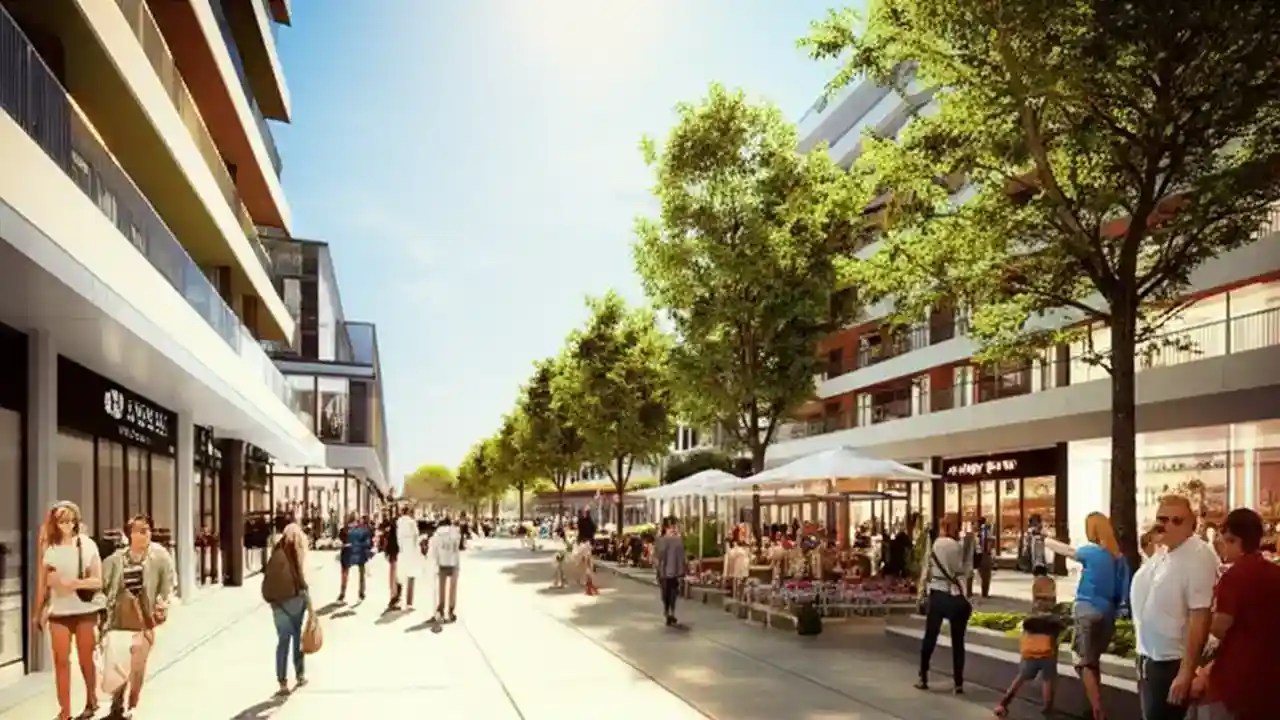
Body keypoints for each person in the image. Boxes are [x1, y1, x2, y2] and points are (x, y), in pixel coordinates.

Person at [1130, 495, 1218, 720]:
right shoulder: (1164, 554)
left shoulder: (1198, 555)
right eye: (1162, 519)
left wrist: (1186, 672)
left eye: (1177, 520)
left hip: (1171, 662)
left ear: (1192, 524)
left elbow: (1200, 616)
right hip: (1149, 658)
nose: (1168, 525)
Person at [1193, 508, 1280, 720]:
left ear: (1234, 540)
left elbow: (1219, 629)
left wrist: (1200, 666)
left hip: (1238, 678)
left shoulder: (1233, 578)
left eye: (1224, 540)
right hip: (1271, 676)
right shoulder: (1275, 573)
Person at [1044, 512, 1131, 720]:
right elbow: (1124, 591)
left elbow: (1068, 552)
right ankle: (1091, 706)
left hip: (1086, 607)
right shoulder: (1120, 559)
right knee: (1093, 661)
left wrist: (1045, 540)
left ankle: (1097, 709)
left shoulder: (1092, 552)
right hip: (1107, 612)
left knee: (1081, 661)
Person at [31, 501, 104, 720]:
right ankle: (65, 711)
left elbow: (98, 581)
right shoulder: (49, 548)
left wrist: (72, 584)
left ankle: (92, 700)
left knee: (86, 658)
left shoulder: (86, 545)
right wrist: (37, 612)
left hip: (84, 610)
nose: (67, 525)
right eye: (62, 521)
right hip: (58, 612)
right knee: (61, 661)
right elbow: (42, 584)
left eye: (71, 521)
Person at [100, 514, 175, 719]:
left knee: (137, 665)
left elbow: (167, 586)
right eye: (139, 531)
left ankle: (132, 705)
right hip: (119, 619)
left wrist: (162, 605)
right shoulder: (116, 559)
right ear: (130, 534)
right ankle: (117, 704)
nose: (144, 535)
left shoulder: (160, 557)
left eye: (147, 530)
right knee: (119, 665)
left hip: (144, 620)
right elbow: (102, 585)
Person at [994, 565, 1062, 717]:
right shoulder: (1051, 589)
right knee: (1048, 679)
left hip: (1032, 646)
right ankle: (1047, 708)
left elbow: (1030, 619)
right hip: (1048, 646)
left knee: (1021, 677)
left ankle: (1003, 703)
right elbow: (1055, 618)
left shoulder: (1035, 596)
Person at [916, 513, 972, 694]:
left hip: (937, 594)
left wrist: (921, 592)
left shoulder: (935, 544)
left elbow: (926, 570)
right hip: (955, 596)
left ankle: (923, 676)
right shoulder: (957, 546)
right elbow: (964, 571)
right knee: (958, 641)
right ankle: (958, 682)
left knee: (930, 636)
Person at [263, 522, 310, 696]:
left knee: (283, 641)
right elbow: (300, 577)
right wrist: (306, 593)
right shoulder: (294, 551)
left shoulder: (276, 552)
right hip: (294, 600)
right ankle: (300, 675)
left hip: (277, 603)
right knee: (297, 639)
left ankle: (282, 682)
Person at [653, 517, 687, 627]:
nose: (672, 529)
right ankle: (668, 611)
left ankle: (670, 612)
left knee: (672, 593)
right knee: (667, 593)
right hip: (665, 571)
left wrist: (681, 570)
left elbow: (681, 556)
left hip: (671, 572)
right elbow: (658, 555)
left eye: (673, 527)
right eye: (670, 527)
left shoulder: (676, 540)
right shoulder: (663, 540)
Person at [429, 516, 463, 623]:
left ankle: (441, 608)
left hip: (442, 562)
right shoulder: (455, 532)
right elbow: (458, 546)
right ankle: (451, 610)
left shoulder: (437, 533)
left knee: (441, 587)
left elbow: (434, 548)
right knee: (453, 587)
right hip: (453, 561)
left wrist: (435, 560)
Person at [338, 512, 373, 603]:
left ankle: (345, 594)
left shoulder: (349, 529)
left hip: (355, 552)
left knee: (350, 573)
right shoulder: (348, 530)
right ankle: (358, 594)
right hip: (353, 552)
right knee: (352, 573)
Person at [395, 506, 424, 609]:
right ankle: (409, 602)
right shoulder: (412, 522)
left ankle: (398, 598)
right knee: (411, 576)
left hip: (402, 550)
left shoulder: (399, 522)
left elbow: (398, 538)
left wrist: (401, 547)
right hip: (411, 549)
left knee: (400, 575)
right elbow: (416, 536)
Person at [379, 508, 402, 611]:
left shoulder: (392, 524)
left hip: (394, 552)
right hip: (395, 552)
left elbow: (387, 539)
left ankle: (394, 597)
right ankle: (394, 598)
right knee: (395, 575)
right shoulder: (394, 525)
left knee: (394, 575)